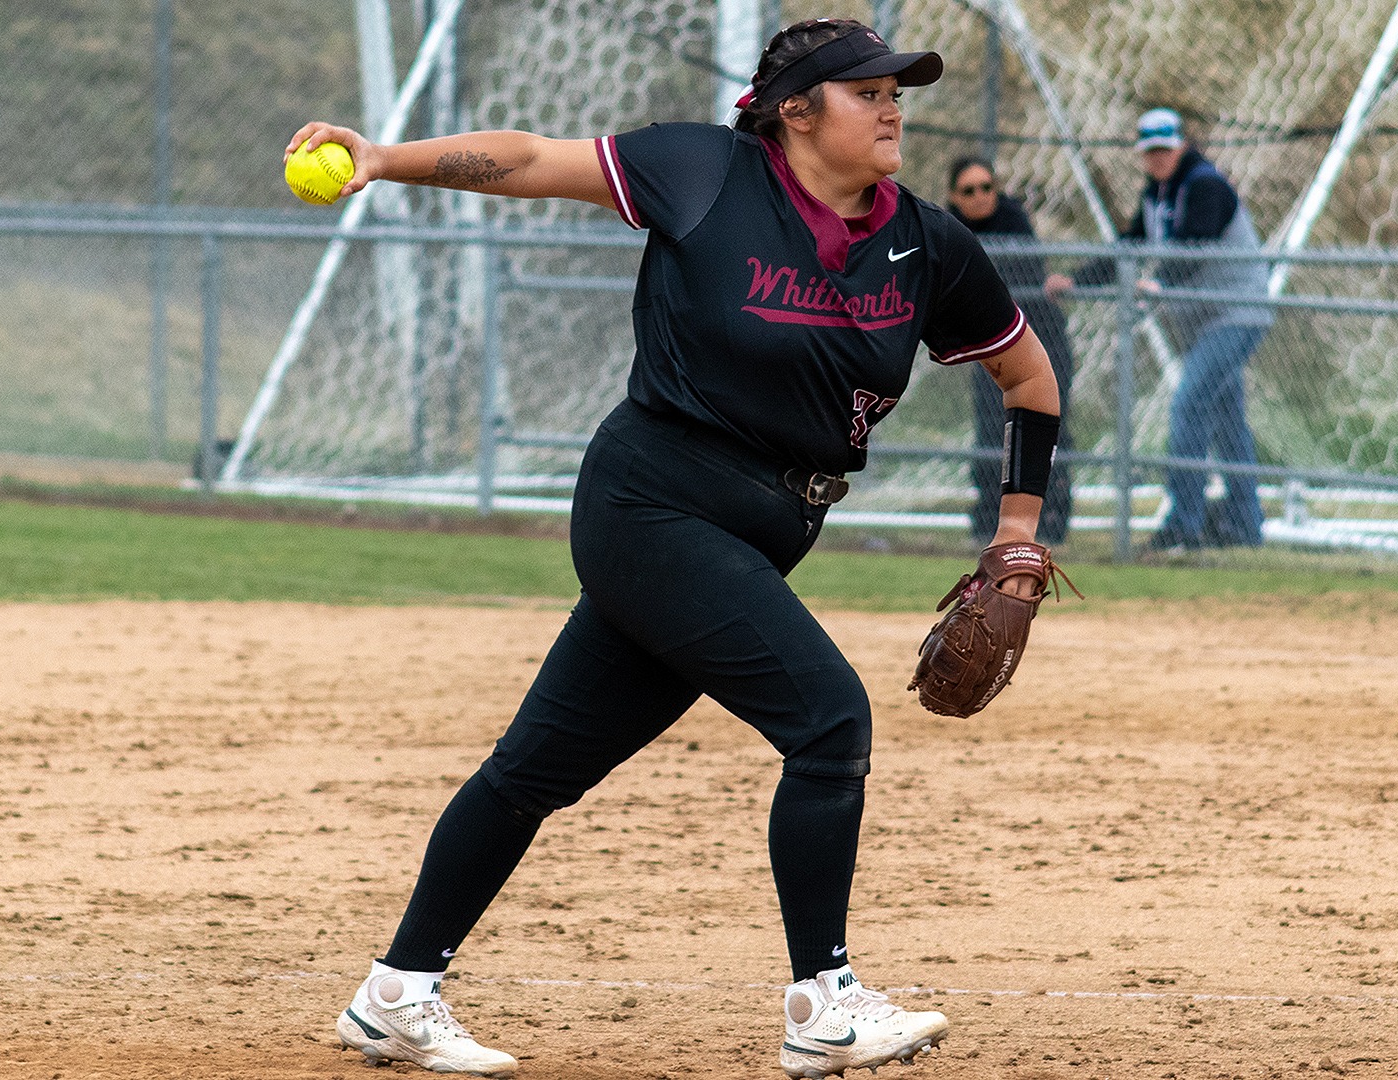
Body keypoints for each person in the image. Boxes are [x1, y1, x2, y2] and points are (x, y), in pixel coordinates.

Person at [285, 16, 1062, 1078]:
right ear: (796, 110)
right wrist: (382, 158)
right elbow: (527, 158)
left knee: (536, 768)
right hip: (651, 501)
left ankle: (394, 994)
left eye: (897, 91)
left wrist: (1015, 535)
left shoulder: (925, 243)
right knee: (828, 719)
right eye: (866, 91)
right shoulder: (703, 170)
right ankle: (821, 1003)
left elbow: (1027, 377)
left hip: (769, 525)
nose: (891, 106)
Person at [1050, 107, 1274, 550]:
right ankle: (1246, 527)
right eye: (1149, 151)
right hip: (1201, 322)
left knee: (1189, 405)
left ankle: (1183, 526)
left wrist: (1161, 281)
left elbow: (1196, 246)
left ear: (1181, 146)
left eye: (1164, 150)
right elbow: (1129, 249)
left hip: (1236, 315)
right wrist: (1077, 280)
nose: (1157, 158)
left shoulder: (1205, 185)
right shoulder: (1157, 194)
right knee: (1229, 420)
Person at [945, 156, 1077, 546]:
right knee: (991, 428)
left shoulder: (1013, 222)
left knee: (1043, 427)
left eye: (988, 187)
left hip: (1041, 344)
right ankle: (988, 516)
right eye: (969, 190)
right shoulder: (950, 231)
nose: (981, 196)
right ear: (955, 197)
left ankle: (1051, 518)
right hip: (990, 347)